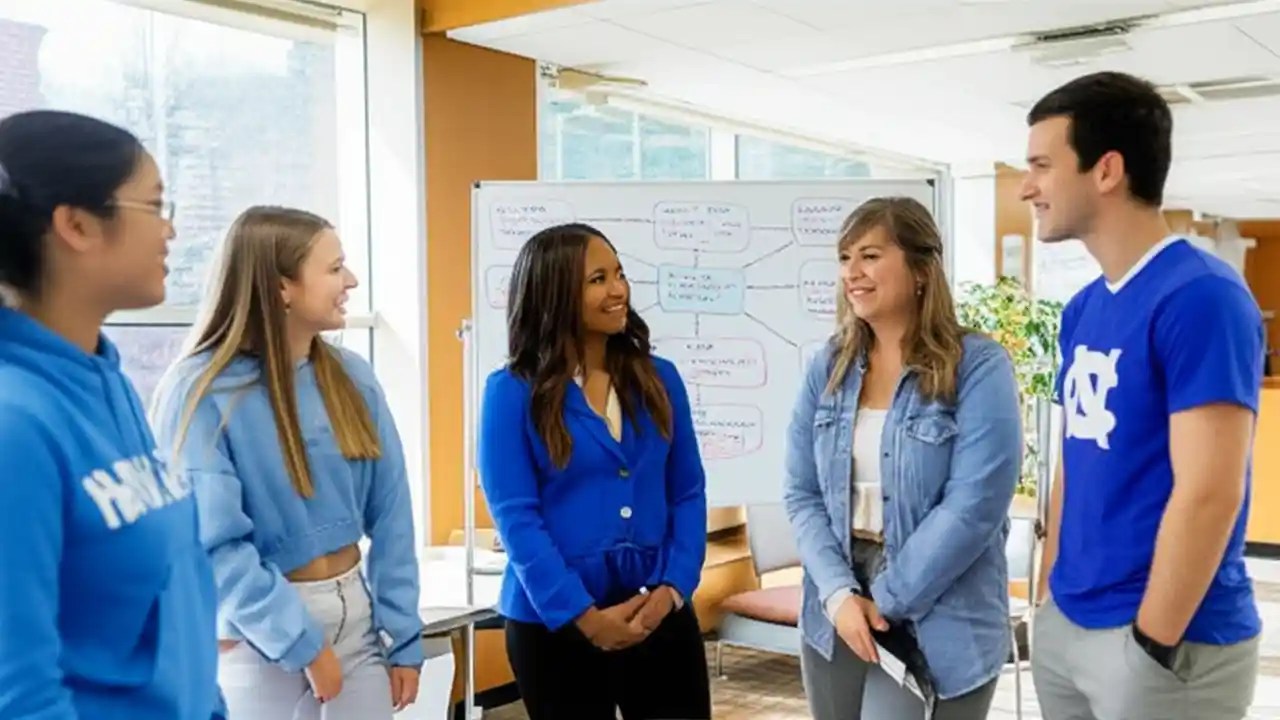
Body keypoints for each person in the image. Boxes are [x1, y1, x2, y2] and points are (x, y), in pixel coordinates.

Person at [1024, 71, 1262, 720]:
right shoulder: (1081, 311)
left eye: (1043, 165)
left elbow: (1210, 491)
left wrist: (1151, 643)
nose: (1027, 187)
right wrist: (1050, 597)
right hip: (1070, 623)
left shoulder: (1201, 296)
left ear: (1107, 170)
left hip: (1164, 639)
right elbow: (1074, 462)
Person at [150, 206, 424, 719]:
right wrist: (302, 643)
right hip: (256, 638)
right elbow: (211, 545)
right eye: (334, 267)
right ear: (282, 288)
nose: (351, 280)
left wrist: (402, 633)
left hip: (358, 626)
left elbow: (393, 514)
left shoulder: (352, 376)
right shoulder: (201, 391)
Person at [0, 110, 222, 718]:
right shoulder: (15, 423)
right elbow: (19, 697)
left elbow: (173, 608)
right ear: (75, 224)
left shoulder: (108, 380)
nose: (170, 230)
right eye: (153, 207)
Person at [784, 196, 1021, 720]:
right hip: (836, 603)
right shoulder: (828, 365)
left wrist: (883, 601)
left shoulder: (979, 366)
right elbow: (802, 493)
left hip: (944, 601)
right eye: (845, 258)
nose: (853, 273)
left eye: (869, 255)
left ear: (920, 269)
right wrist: (841, 596)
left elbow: (975, 506)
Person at [478, 222, 711, 719]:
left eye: (619, 274)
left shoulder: (659, 379)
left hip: (658, 610)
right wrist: (584, 618)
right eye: (598, 279)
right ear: (555, 294)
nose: (618, 289)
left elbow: (687, 491)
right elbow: (516, 518)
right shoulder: (511, 391)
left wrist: (673, 589)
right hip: (555, 622)